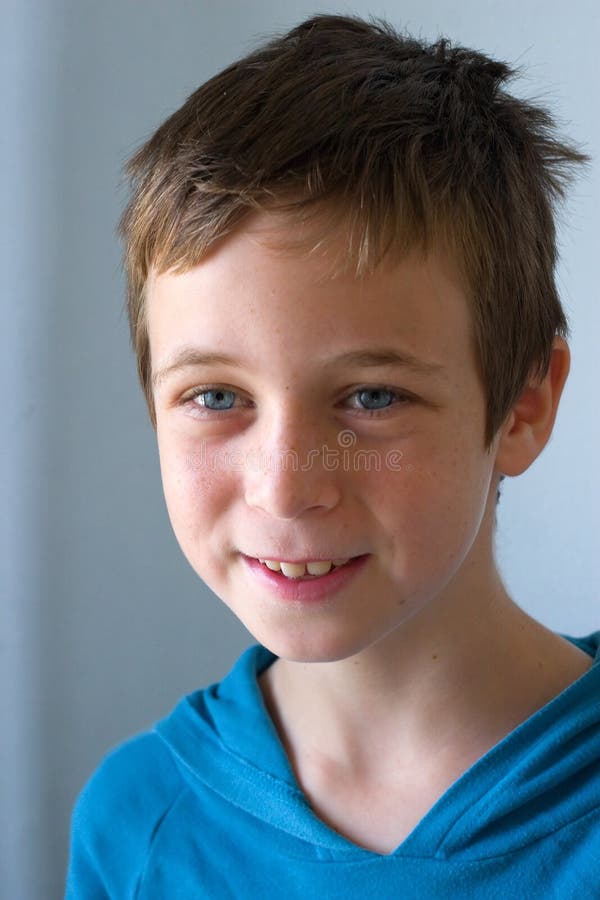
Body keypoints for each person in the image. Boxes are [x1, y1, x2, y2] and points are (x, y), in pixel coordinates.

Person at [66, 13, 600, 898]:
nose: (284, 488)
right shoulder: (137, 822)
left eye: (371, 398)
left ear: (523, 405)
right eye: (216, 398)